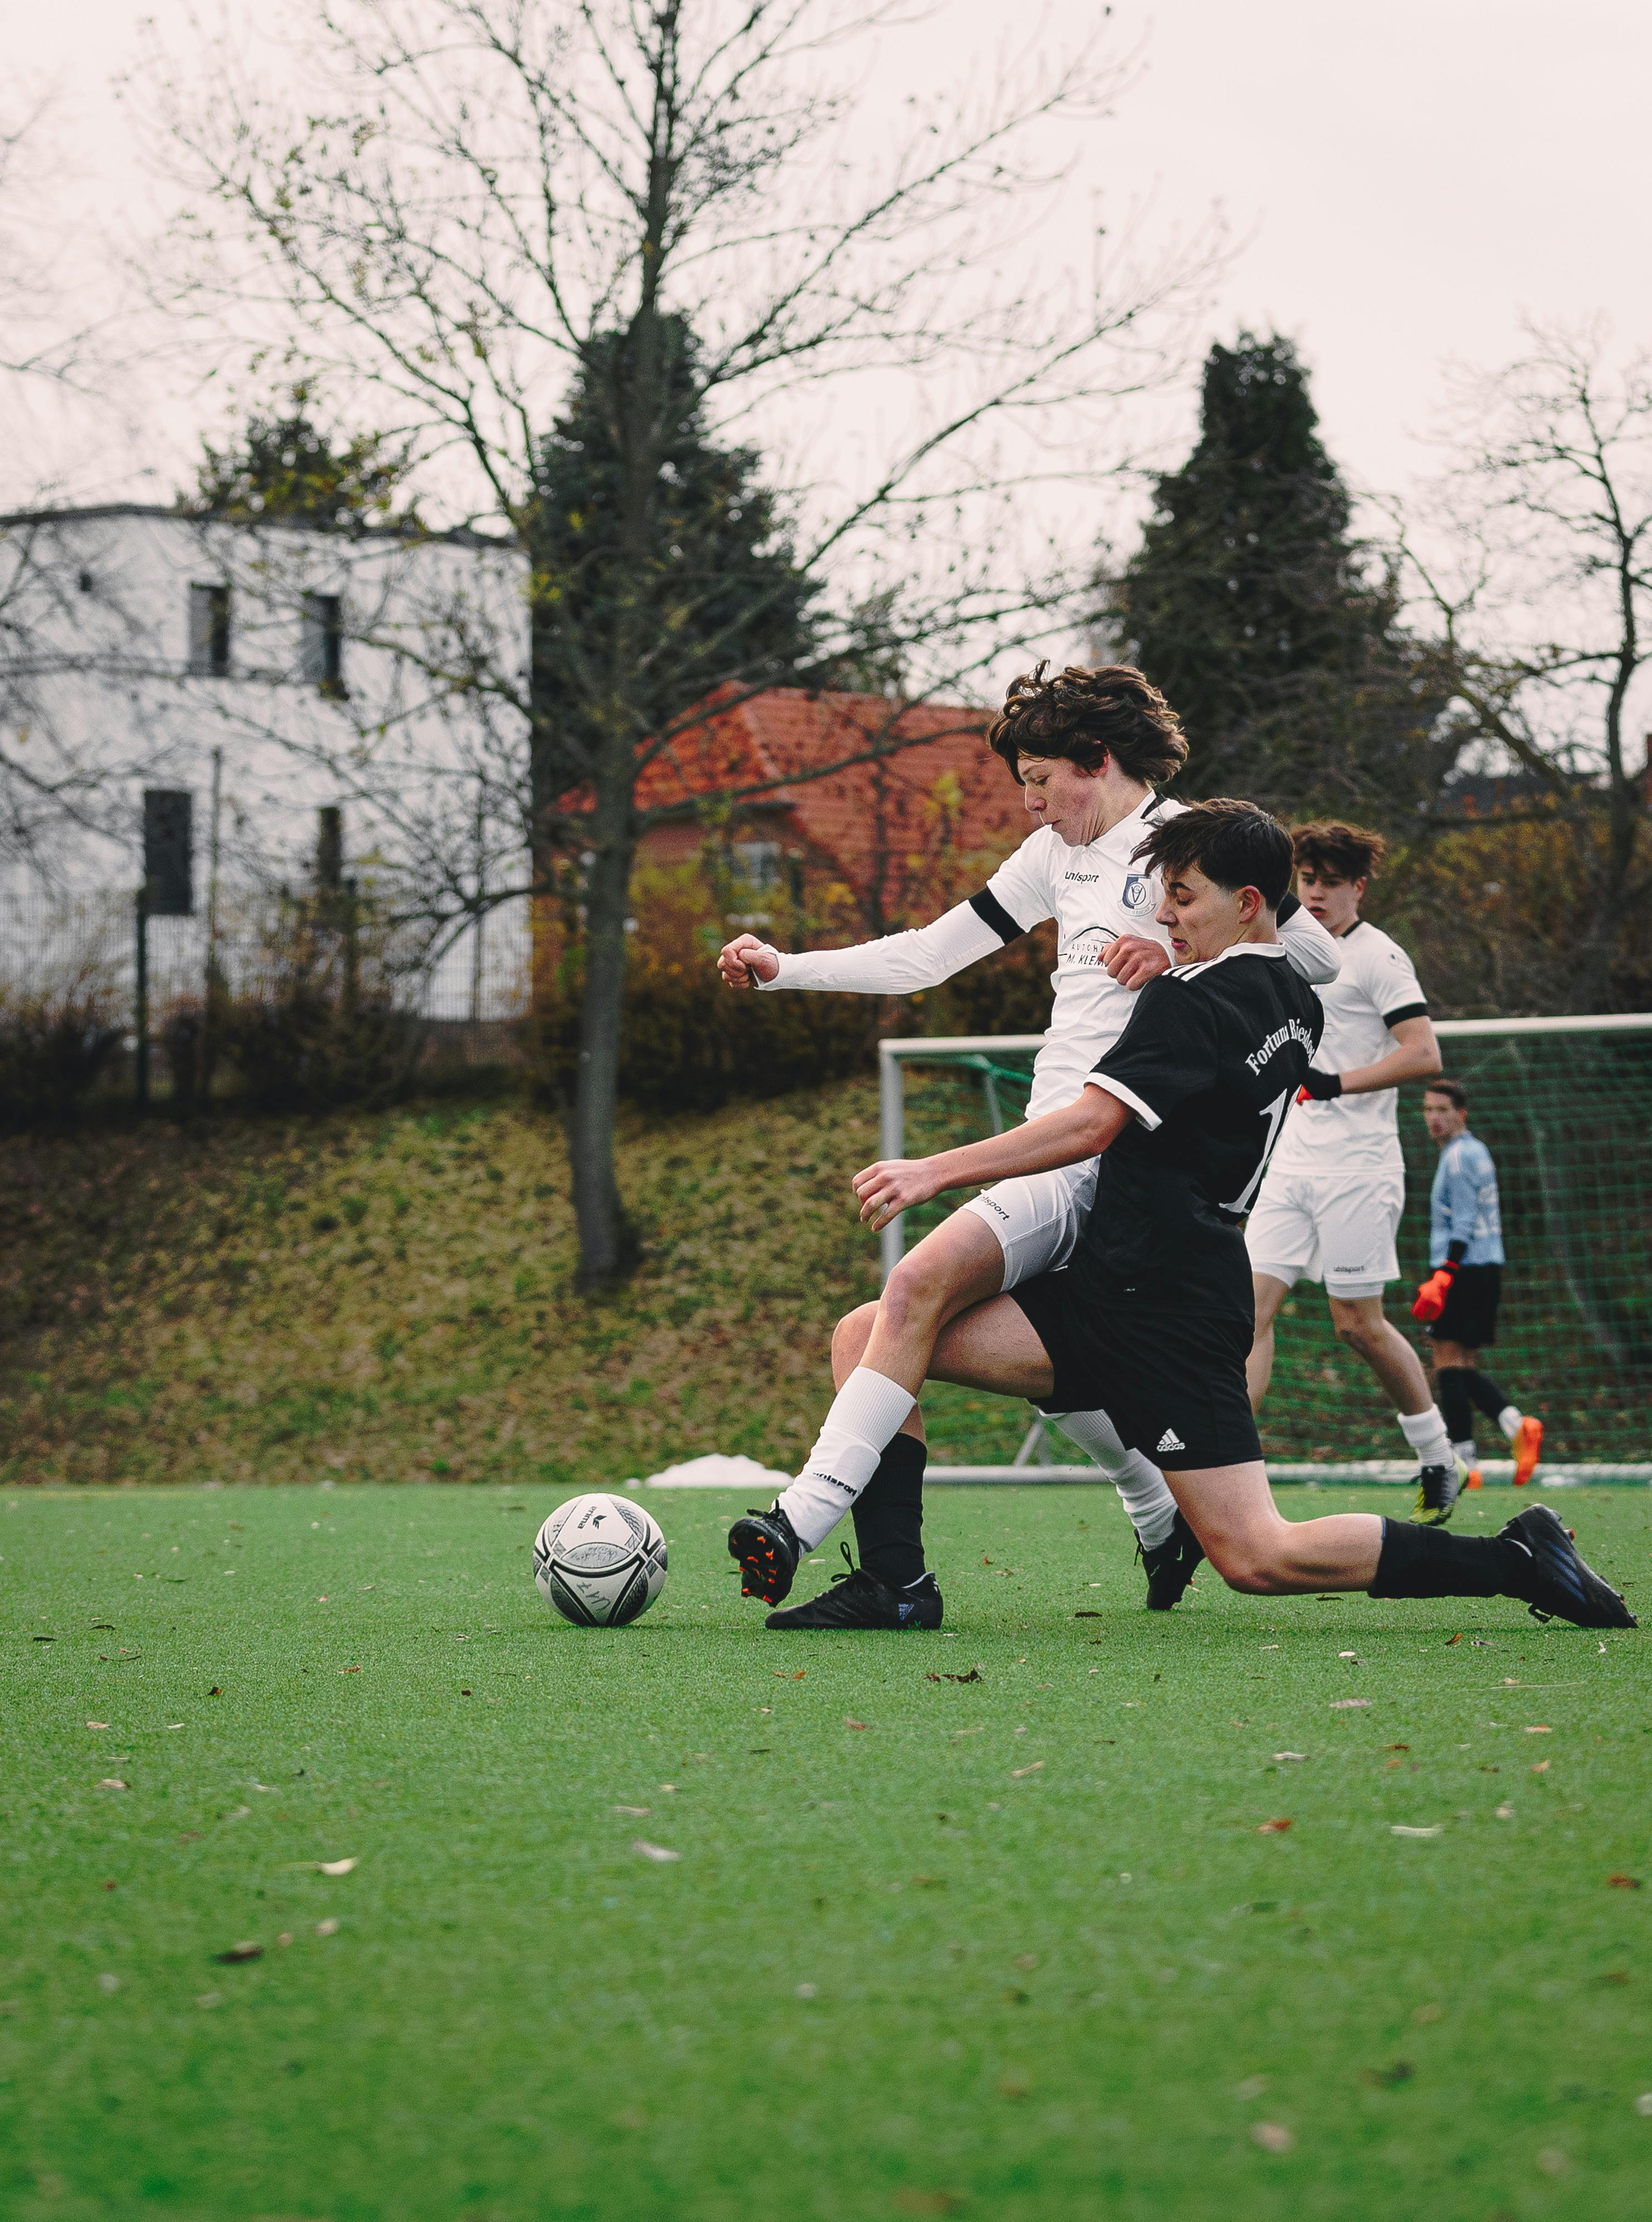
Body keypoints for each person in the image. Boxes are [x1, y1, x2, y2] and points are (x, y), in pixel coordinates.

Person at [728, 800, 1633, 1636]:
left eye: (1180, 898)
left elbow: (1089, 1125)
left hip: (1167, 1309)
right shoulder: (1291, 997)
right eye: (1161, 896)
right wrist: (1179, 958)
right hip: (1115, 1289)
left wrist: (933, 1168)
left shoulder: (1186, 1000)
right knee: (875, 1332)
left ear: (1245, 903)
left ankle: (1512, 1559)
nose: (1161, 917)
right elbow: (1280, 973)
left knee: (1255, 1556)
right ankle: (897, 1585)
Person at [717, 663, 1339, 1621]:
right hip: (1046, 1146)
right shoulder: (1054, 857)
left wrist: (1173, 952)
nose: (1031, 801)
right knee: (901, 1338)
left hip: (1096, 1157)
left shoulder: (1185, 848)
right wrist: (783, 969)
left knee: (913, 1286)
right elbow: (927, 953)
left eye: (1041, 779)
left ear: (1096, 761)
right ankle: (1133, 1513)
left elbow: (1314, 956)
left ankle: (798, 1522)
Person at [1243, 822, 1464, 1523]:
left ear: (1357, 888)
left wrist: (1337, 1083)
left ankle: (1438, 1454)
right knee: (1244, 1316)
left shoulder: (1378, 957)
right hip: (1287, 1166)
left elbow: (1423, 1053)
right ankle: (1226, 1472)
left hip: (1358, 1170)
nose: (1315, 893)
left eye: (1330, 883)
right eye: (1306, 880)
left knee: (1356, 1326)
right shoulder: (1283, 949)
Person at [1415, 1077, 1544, 1488]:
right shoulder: (1476, 1152)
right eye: (1428, 1110)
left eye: (1442, 1110)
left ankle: (1510, 1428)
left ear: (1461, 1114)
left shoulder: (1457, 1157)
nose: (1434, 1118)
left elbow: (1465, 1219)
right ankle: (1468, 1463)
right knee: (1461, 1363)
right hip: (1484, 1267)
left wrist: (1445, 1273)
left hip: (1464, 1268)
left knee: (1447, 1363)